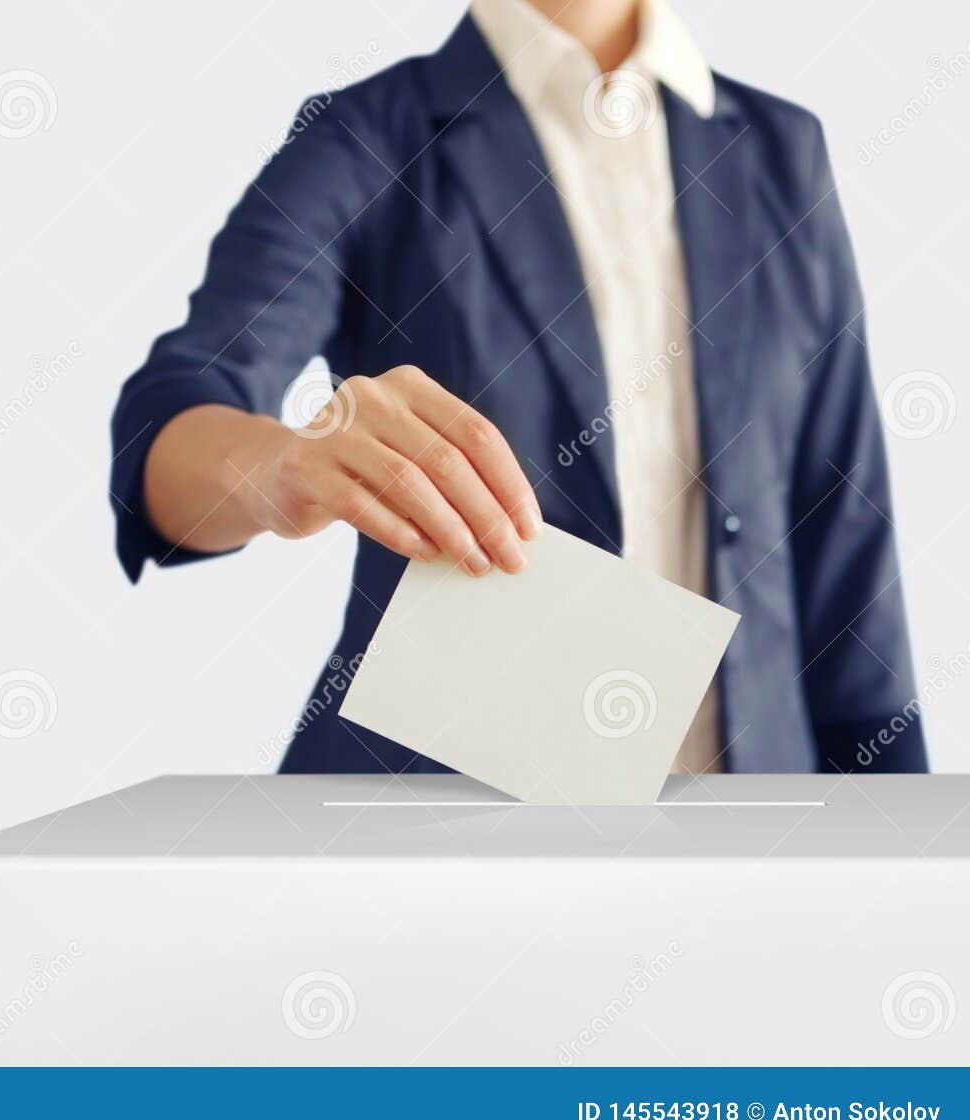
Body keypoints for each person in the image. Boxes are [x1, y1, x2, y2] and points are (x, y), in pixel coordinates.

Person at [107, 0, 926, 775]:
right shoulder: (371, 138)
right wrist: (283, 466)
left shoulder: (782, 151)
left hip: (749, 816)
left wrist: (899, 842)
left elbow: (845, 531)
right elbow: (169, 422)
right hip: (442, 819)